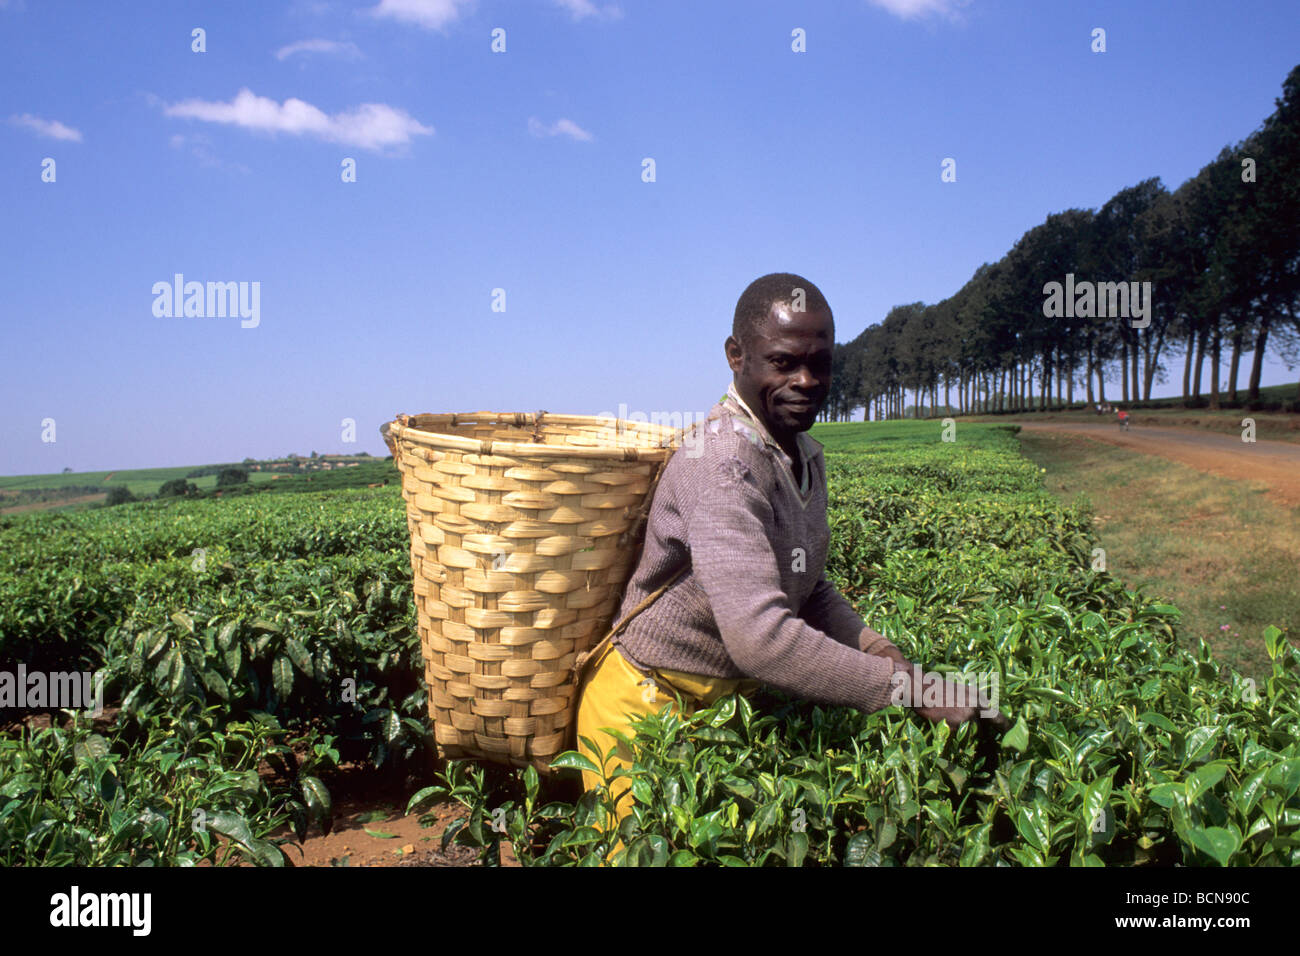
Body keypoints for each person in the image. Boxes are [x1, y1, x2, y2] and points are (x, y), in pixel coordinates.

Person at [574, 272, 1007, 847]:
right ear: (736, 357)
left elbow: (809, 587)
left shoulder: (801, 454)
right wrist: (914, 691)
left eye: (820, 363)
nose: (806, 381)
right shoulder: (721, 461)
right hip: (646, 713)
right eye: (783, 363)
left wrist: (880, 650)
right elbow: (761, 638)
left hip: (727, 714)